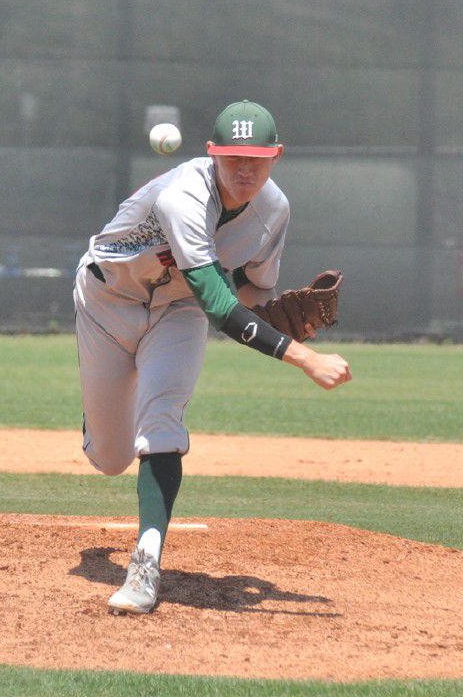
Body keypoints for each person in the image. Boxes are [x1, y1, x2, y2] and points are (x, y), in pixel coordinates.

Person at [73, 100, 351, 615]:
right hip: (108, 301)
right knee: (110, 459)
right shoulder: (183, 195)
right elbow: (223, 308)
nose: (244, 170)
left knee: (161, 424)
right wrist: (304, 358)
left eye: (257, 159)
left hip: (179, 310)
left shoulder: (275, 212)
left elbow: (248, 292)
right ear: (211, 154)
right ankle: (100, 413)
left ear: (277, 156)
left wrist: (273, 315)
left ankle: (145, 563)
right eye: (232, 157)